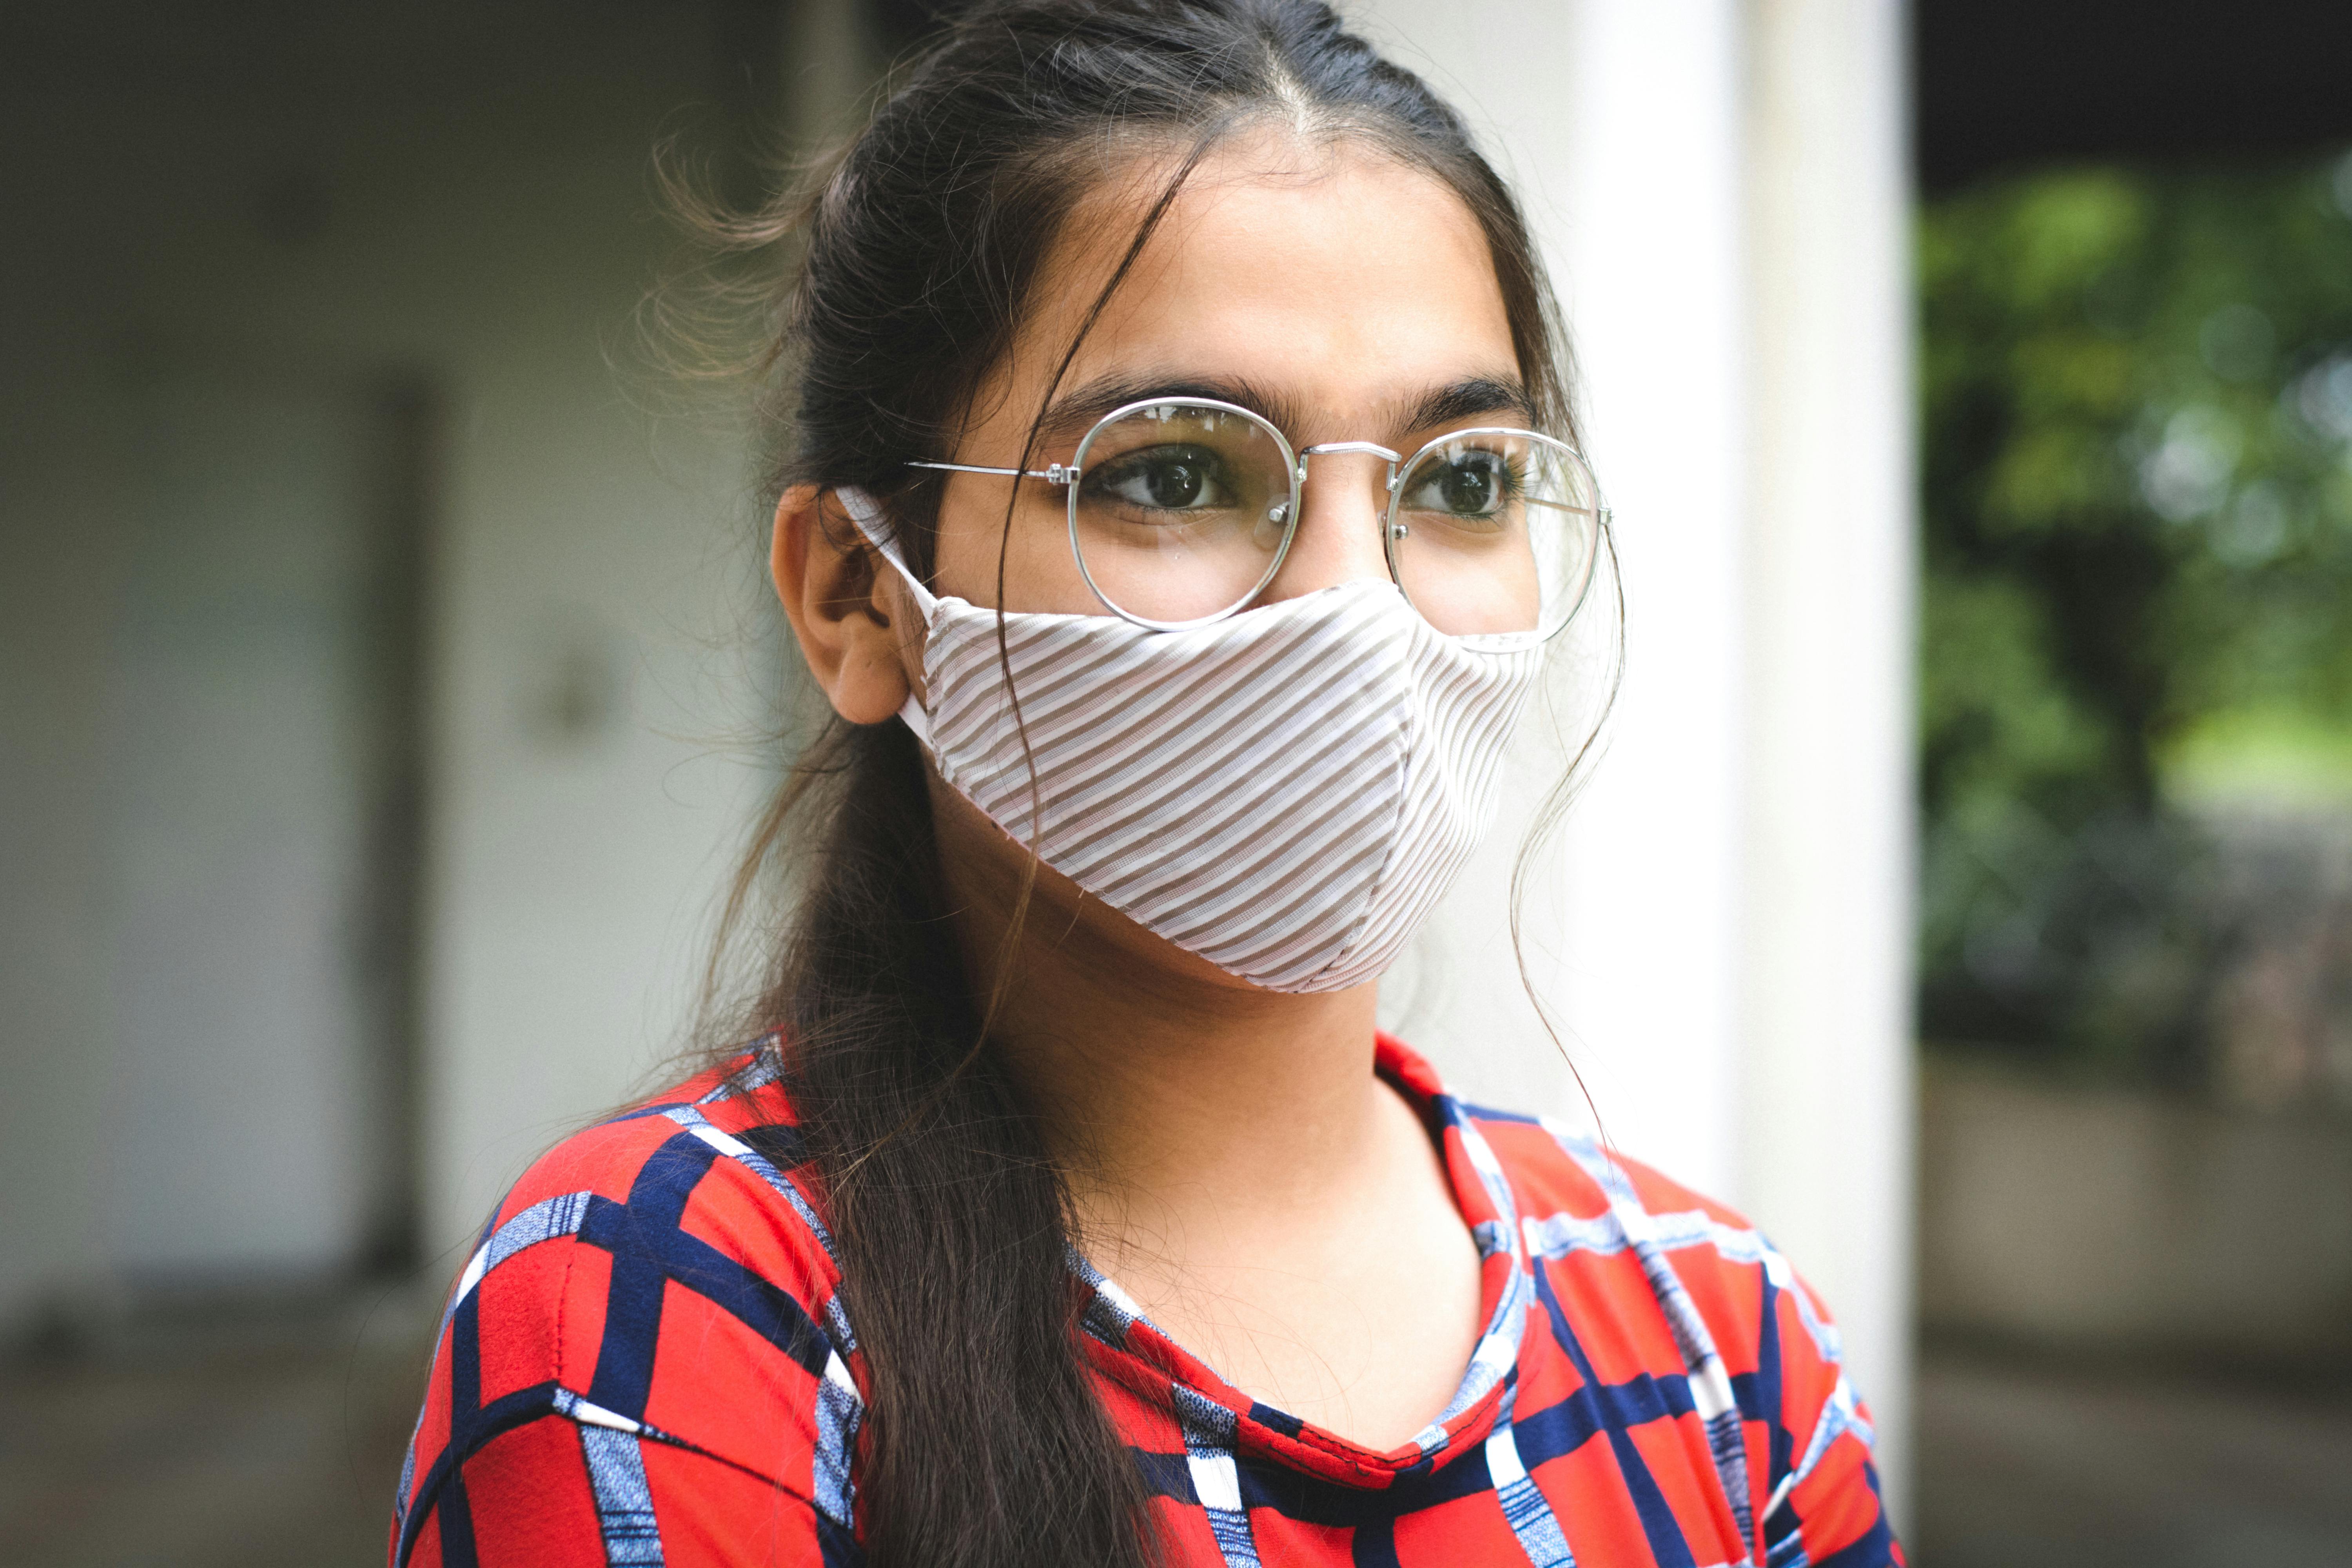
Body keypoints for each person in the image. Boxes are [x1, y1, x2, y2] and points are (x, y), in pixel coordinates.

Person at [390, 2, 1901, 1564]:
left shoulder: (1725, 1347)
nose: (1353, 611)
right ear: (859, 591)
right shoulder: (672, 1313)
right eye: (1174, 472)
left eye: (1461, 481)